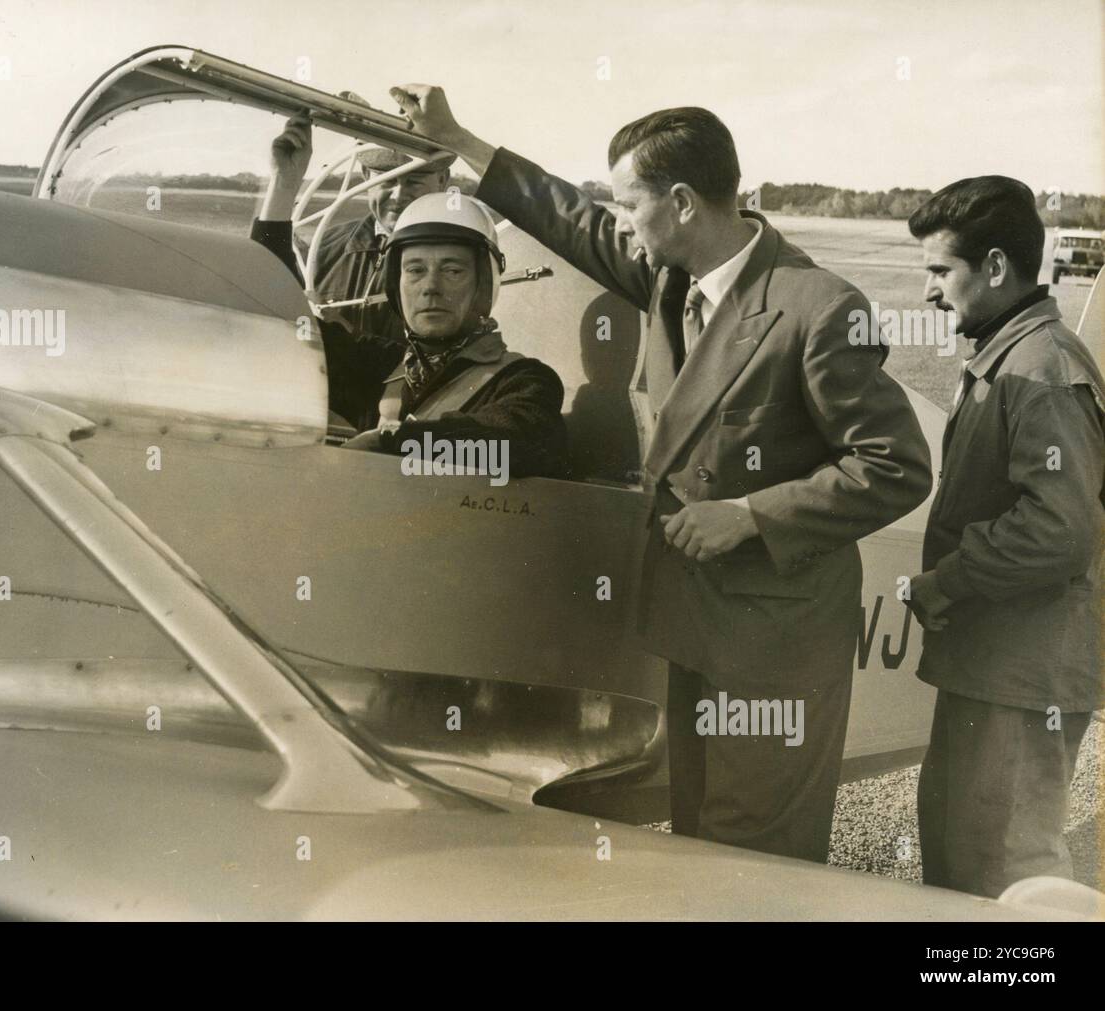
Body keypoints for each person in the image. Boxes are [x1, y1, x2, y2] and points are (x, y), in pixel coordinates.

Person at [393, 85, 932, 863]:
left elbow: (896, 466)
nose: (618, 221)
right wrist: (460, 138)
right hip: (696, 625)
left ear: (680, 203)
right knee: (700, 842)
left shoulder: (818, 305)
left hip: (776, 648)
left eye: (628, 202)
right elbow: (566, 217)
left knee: (758, 860)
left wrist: (751, 514)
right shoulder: (671, 280)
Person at [904, 176, 1104, 897]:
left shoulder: (1041, 368)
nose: (929, 292)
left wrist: (949, 577)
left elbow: (1060, 528)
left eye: (940, 270)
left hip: (1021, 680)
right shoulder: (1010, 356)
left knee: (1013, 884)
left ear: (994, 267)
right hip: (995, 669)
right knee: (963, 874)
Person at [259, 187, 569, 479]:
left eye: (453, 271)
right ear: (397, 284)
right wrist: (283, 186)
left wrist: (391, 442)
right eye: (415, 271)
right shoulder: (381, 365)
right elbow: (273, 316)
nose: (431, 288)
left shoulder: (524, 380)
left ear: (483, 285)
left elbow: (515, 442)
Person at [250, 110, 456, 350]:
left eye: (414, 181)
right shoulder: (325, 247)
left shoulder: (462, 263)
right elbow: (266, 291)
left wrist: (343, 333)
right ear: (367, 176)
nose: (399, 194)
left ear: (442, 180)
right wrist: (283, 180)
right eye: (388, 180)